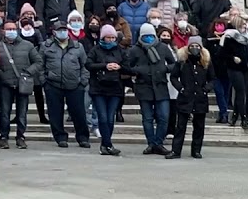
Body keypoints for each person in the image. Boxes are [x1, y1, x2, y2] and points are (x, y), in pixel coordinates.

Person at [125, 22, 176, 155]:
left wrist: (165, 69)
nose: (149, 38)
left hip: (160, 87)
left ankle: (158, 143)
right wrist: (138, 70)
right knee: (147, 118)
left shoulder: (163, 47)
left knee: (164, 117)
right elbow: (127, 67)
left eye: (151, 36)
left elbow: (173, 63)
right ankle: (151, 143)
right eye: (146, 36)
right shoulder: (135, 50)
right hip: (144, 87)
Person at [40, 18, 90, 148]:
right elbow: (40, 65)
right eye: (59, 30)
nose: (62, 32)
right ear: (54, 32)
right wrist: (44, 81)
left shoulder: (78, 46)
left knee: (78, 113)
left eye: (64, 30)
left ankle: (83, 137)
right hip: (53, 84)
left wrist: (83, 81)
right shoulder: (46, 46)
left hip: (75, 84)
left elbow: (85, 65)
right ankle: (60, 137)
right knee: (55, 113)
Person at [0, 18, 41, 149]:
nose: (11, 31)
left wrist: (28, 72)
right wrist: (0, 73)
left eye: (13, 29)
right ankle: (4, 137)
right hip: (5, 84)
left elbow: (38, 62)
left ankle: (20, 137)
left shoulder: (27, 45)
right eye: (8, 29)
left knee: (22, 113)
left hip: (23, 83)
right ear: (3, 31)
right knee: (4, 112)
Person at [167, 36, 213, 159]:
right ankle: (176, 151)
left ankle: (196, 150)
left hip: (200, 99)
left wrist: (206, 89)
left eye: (197, 46)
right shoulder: (182, 61)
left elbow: (212, 79)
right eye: (192, 46)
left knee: (199, 127)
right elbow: (173, 77)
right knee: (180, 127)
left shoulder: (206, 62)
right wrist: (181, 88)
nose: (194, 48)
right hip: (185, 98)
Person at [87, 24, 125, 156]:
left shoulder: (119, 50)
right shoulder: (95, 50)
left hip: (115, 87)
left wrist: (119, 67)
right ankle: (108, 145)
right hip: (99, 88)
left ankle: (105, 145)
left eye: (113, 37)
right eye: (108, 37)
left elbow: (128, 66)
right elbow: (89, 64)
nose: (110, 40)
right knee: (102, 117)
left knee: (110, 118)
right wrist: (105, 66)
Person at [220, 19, 248, 130]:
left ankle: (234, 117)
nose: (245, 26)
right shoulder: (229, 37)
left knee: (242, 93)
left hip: (246, 67)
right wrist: (233, 58)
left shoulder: (246, 37)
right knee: (240, 92)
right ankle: (243, 119)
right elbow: (222, 53)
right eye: (243, 24)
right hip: (234, 67)